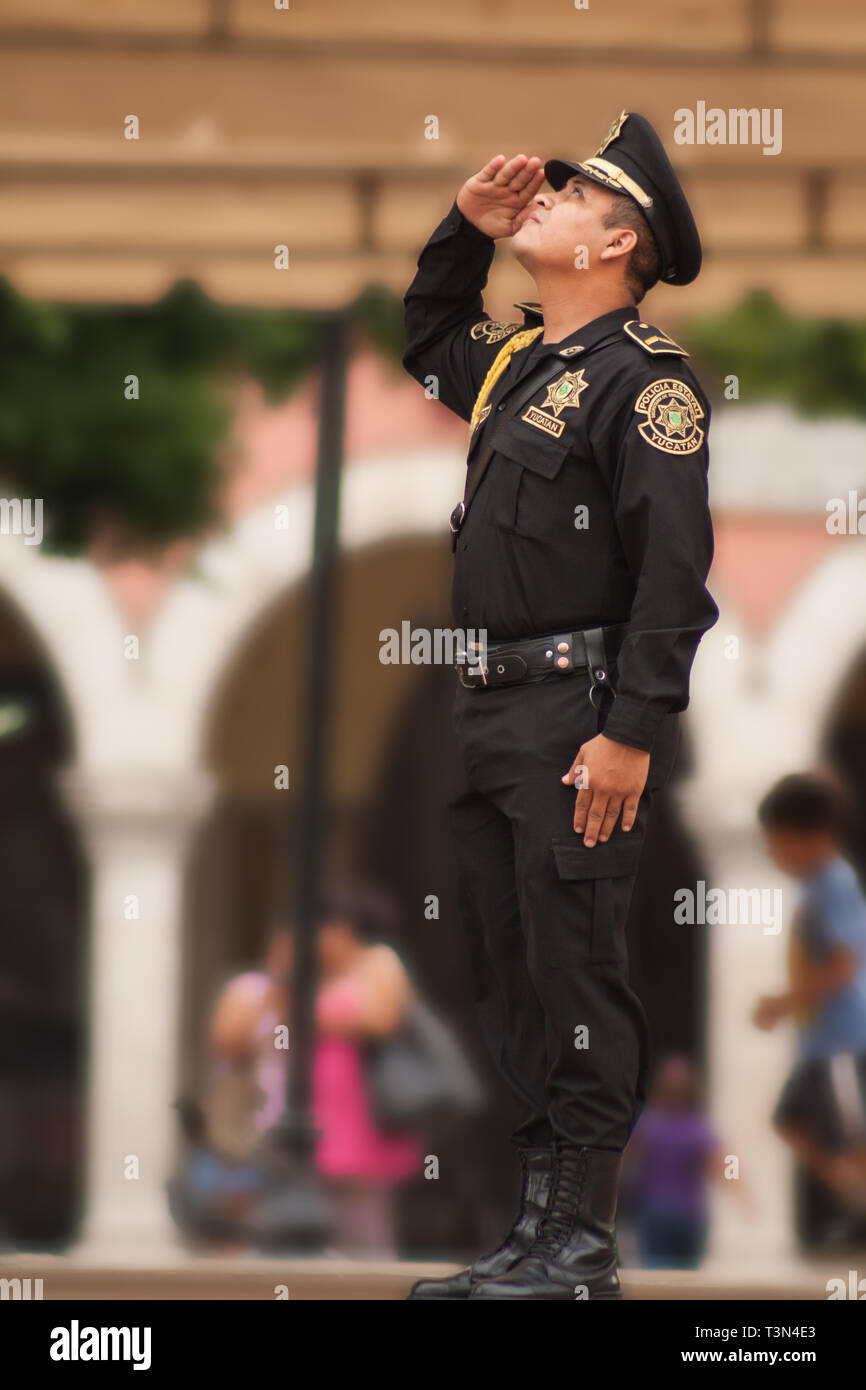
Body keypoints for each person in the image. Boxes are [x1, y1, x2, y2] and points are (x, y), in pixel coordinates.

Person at [402, 111, 718, 1299]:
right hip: (487, 711)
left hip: (574, 714)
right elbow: (428, 330)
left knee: (576, 962)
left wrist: (630, 729)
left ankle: (580, 1241)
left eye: (571, 192)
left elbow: (671, 574)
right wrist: (459, 230)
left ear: (616, 236)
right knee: (509, 967)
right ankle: (534, 1233)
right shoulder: (515, 363)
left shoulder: (647, 388)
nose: (543, 194)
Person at [209, 890, 422, 1258]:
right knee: (257, 1234)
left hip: (357, 1130)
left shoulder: (374, 965)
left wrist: (304, 1007)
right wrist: (280, 981)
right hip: (272, 1131)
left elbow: (378, 1018)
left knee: (362, 1236)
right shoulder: (271, 986)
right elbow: (231, 1039)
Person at [752, 772, 866, 1219]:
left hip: (843, 1040)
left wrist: (782, 1003)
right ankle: (855, 1202)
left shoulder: (834, 882)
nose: (773, 854)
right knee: (792, 1123)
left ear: (815, 837)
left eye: (778, 842)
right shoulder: (815, 887)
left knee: (852, 1139)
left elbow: (844, 963)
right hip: (818, 1044)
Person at [623, 1056, 745, 1269]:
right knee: (685, 1280)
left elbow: (623, 1159)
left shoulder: (649, 1124)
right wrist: (741, 1194)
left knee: (658, 1278)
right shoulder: (697, 1128)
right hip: (685, 1215)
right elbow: (722, 1165)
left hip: (660, 1214)